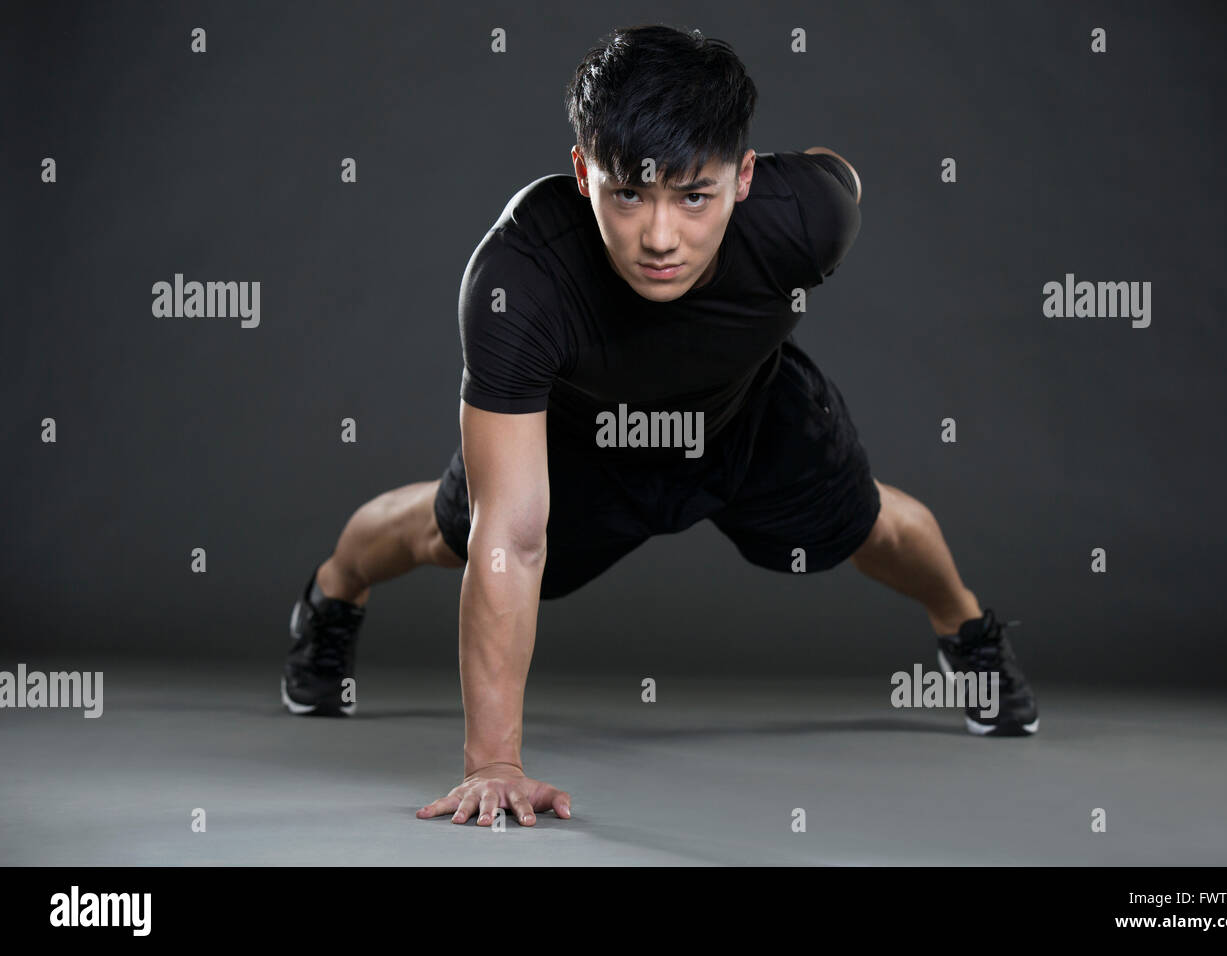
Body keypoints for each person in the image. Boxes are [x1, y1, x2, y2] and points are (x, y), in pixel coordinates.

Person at [281, 24, 1038, 828]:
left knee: (872, 528)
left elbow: (836, 176)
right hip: (579, 449)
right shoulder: (518, 277)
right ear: (583, 172)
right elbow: (513, 532)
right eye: (630, 193)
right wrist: (494, 763)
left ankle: (967, 634)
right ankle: (334, 592)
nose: (660, 237)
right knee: (455, 536)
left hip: (746, 420)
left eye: (694, 195)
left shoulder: (805, 218)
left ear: (745, 178)